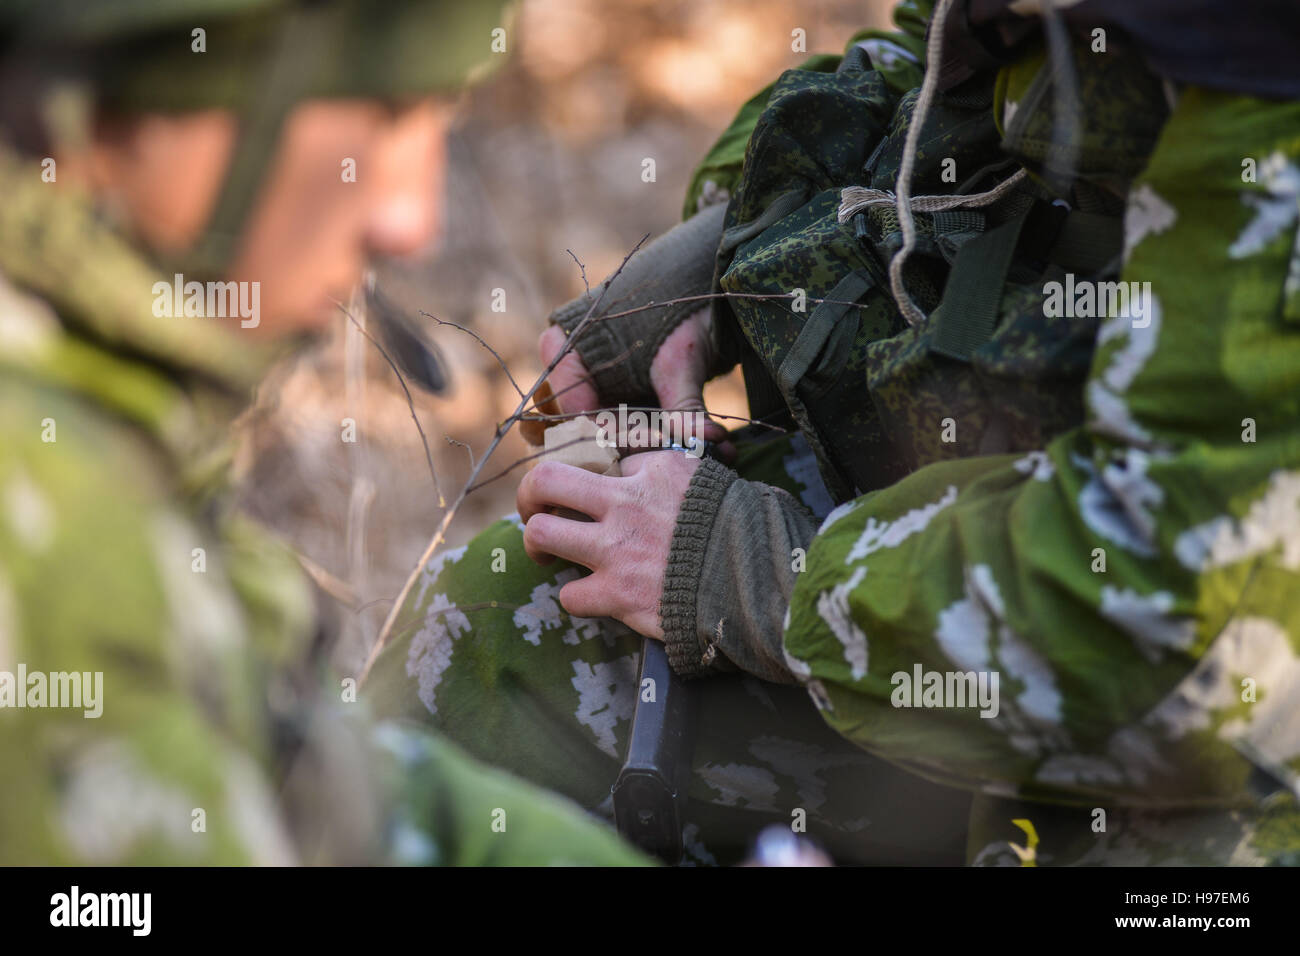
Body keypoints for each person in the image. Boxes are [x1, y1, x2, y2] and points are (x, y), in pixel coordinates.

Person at [363, 0, 1300, 865]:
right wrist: (735, 250)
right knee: (497, 645)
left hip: (1210, 745)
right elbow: (920, 69)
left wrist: (763, 576)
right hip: (1002, 540)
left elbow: (1177, 633)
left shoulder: (1265, 83)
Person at [0, 0, 649, 866]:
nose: (410, 218)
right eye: (380, 117)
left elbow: (338, 805)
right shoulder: (60, 548)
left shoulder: (101, 414)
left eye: (435, 120)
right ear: (125, 107)